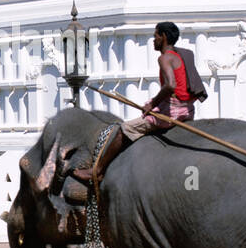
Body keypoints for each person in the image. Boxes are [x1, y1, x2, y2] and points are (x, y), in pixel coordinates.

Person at [74, 21, 208, 185]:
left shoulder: (164, 58)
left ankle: (96, 171)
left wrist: (152, 104)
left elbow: (170, 85)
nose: (154, 40)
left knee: (124, 130)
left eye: (156, 36)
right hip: (188, 110)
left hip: (171, 112)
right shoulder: (180, 56)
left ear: (163, 37)